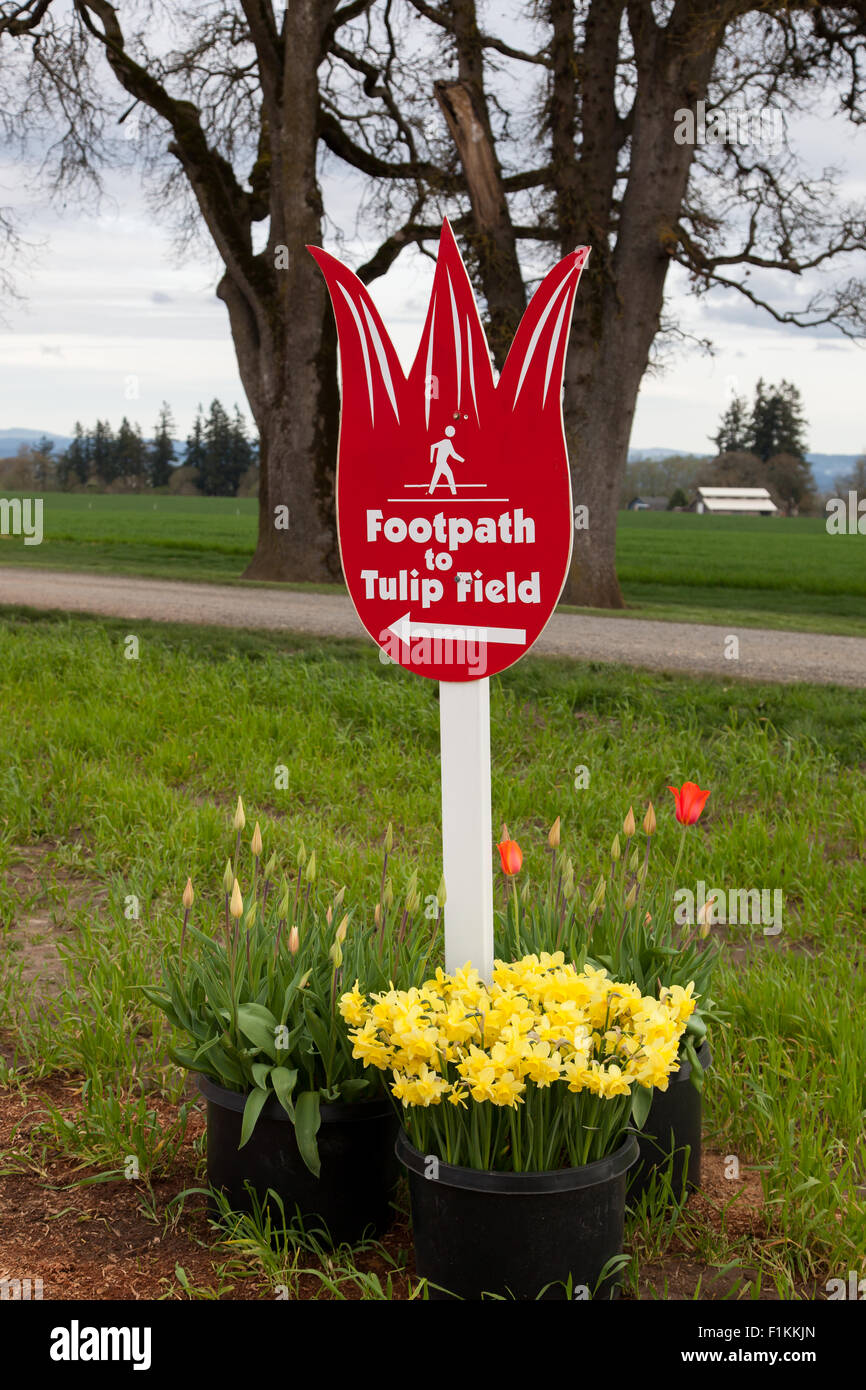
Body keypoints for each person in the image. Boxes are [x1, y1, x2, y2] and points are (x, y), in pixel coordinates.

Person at [427, 426, 464, 496]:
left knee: (436, 476)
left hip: (440, 463)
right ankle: (454, 493)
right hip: (442, 463)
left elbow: (432, 446)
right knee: (449, 474)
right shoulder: (447, 442)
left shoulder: (445, 442)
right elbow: (453, 455)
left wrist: (432, 460)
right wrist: (463, 460)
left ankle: (430, 492)